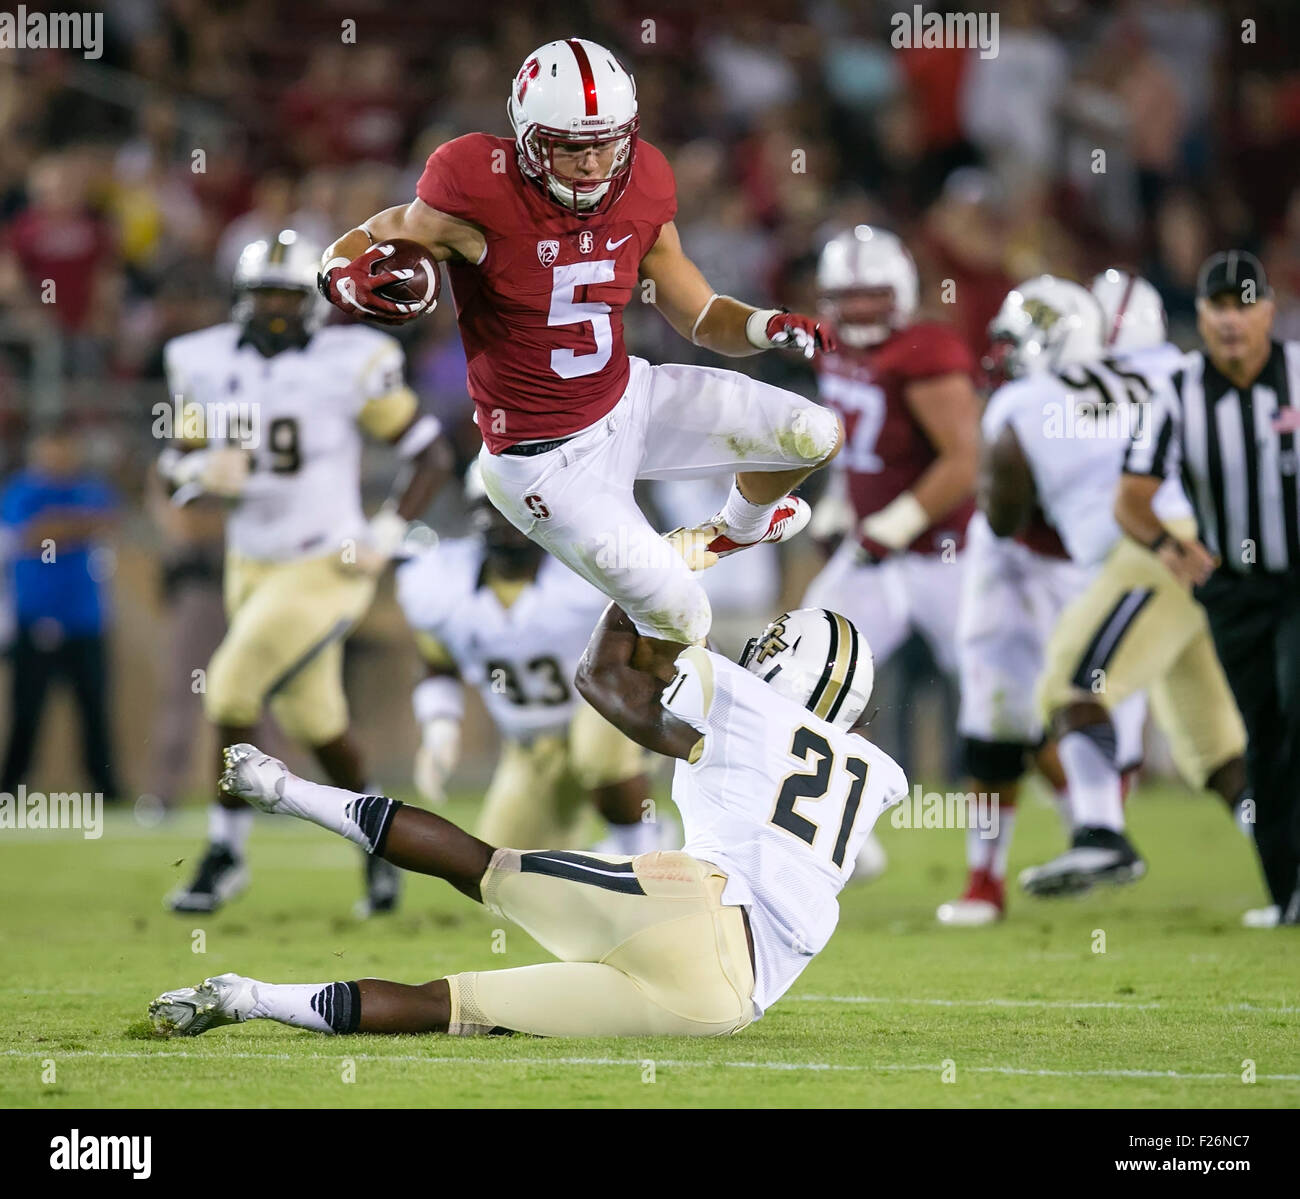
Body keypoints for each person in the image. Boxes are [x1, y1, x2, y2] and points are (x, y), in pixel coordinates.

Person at [316, 38, 843, 678]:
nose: (593, 163)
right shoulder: (476, 183)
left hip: (627, 399)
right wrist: (340, 276)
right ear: (530, 140)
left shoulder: (644, 178)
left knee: (813, 432)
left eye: (605, 143)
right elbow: (371, 236)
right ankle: (650, 720)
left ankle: (737, 528)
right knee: (685, 615)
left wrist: (766, 324)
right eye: (571, 146)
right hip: (542, 462)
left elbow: (701, 316)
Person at [147, 600, 907, 1039]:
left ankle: (279, 787)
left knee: (479, 865)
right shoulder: (876, 775)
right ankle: (247, 998)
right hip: (725, 1005)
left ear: (787, 665)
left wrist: (648, 566)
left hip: (697, 902)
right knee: (458, 1009)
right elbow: (824, 744)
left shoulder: (747, 701)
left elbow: (601, 675)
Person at [160, 229, 453, 917]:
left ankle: (224, 853)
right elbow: (174, 461)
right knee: (318, 720)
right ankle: (383, 849)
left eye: (287, 299)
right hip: (249, 562)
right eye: (262, 297)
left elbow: (432, 454)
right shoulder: (200, 361)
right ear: (240, 299)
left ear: (313, 305)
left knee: (230, 687)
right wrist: (198, 470)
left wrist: (386, 530)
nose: (272, 312)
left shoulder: (348, 361)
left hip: (329, 559)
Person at [989, 270, 1248, 896]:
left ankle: (1100, 837)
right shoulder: (1170, 371)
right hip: (1213, 544)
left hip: (1151, 549)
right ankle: (1288, 863)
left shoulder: (1021, 402)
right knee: (1215, 747)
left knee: (1073, 682)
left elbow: (1003, 517)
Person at [937, 276, 1147, 925]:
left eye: (1017, 341)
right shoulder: (1033, 402)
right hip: (1014, 557)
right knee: (995, 711)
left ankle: (1096, 832)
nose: (1002, 355)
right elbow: (1002, 521)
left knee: (1095, 706)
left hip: (1091, 568)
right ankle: (987, 876)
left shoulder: (1118, 401)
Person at [1118, 250, 1300, 927]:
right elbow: (1131, 497)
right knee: (1264, 730)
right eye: (1219, 306)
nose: (1231, 319)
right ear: (1202, 315)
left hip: (1298, 579)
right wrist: (1168, 544)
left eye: (1244, 304)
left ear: (1267, 311)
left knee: (1297, 705)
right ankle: (1286, 892)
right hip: (1235, 590)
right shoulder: (1178, 392)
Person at [801, 225, 980, 881]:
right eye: (848, 297)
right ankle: (844, 829)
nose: (861, 311)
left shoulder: (926, 349)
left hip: (946, 556)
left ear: (900, 292)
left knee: (1002, 694)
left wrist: (892, 523)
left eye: (874, 296)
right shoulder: (830, 349)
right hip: (875, 552)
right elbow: (860, 448)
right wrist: (846, 508)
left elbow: (965, 460)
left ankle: (1089, 815)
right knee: (812, 673)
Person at [396, 464, 661, 854]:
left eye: (515, 508)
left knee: (596, 748)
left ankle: (642, 848)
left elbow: (658, 633)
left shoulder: (588, 570)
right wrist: (439, 729)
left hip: (611, 714)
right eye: (493, 507)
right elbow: (438, 662)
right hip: (530, 745)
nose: (505, 521)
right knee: (504, 867)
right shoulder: (442, 584)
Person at [0, 420, 122, 799]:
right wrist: (75, 526)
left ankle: (105, 788)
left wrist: (57, 527)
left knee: (94, 712)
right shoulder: (23, 490)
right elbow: (32, 534)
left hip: (86, 619)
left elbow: (108, 519)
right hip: (36, 619)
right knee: (27, 712)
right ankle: (11, 786)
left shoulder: (89, 487)